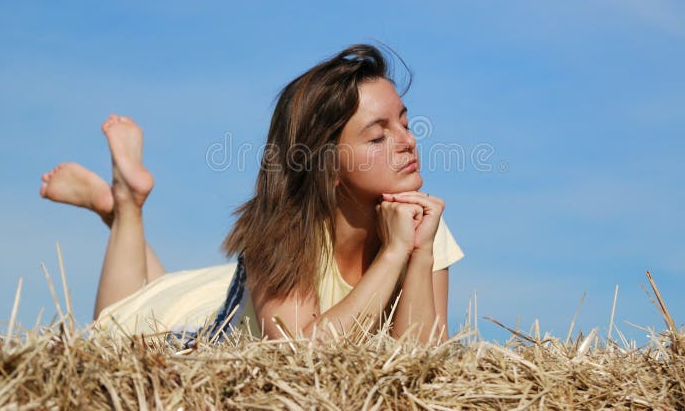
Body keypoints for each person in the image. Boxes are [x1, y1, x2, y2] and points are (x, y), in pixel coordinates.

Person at [39, 44, 464, 343]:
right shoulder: (282, 230)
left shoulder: (421, 221)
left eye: (405, 124)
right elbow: (301, 356)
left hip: (246, 292)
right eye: (378, 138)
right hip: (214, 326)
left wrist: (419, 252)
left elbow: (419, 361)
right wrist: (392, 256)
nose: (408, 141)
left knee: (161, 284)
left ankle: (119, 210)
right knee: (117, 323)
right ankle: (126, 206)